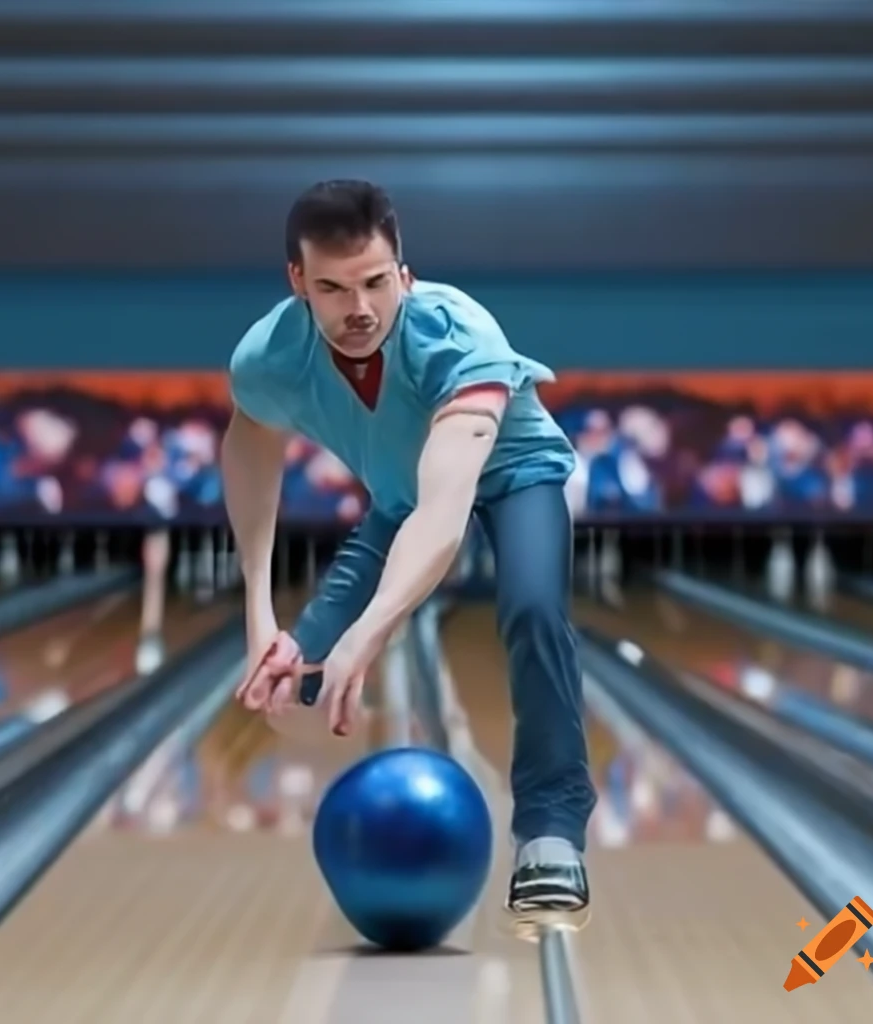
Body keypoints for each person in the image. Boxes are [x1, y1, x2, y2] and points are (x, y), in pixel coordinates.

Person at [221, 179, 595, 916]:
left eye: (374, 283)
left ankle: (552, 830)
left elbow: (444, 512)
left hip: (511, 479)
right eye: (331, 288)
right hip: (401, 500)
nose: (358, 309)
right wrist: (262, 615)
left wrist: (371, 632)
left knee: (532, 611)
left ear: (404, 272)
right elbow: (250, 444)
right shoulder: (268, 355)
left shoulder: (456, 336)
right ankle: (303, 651)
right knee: (297, 671)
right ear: (297, 281)